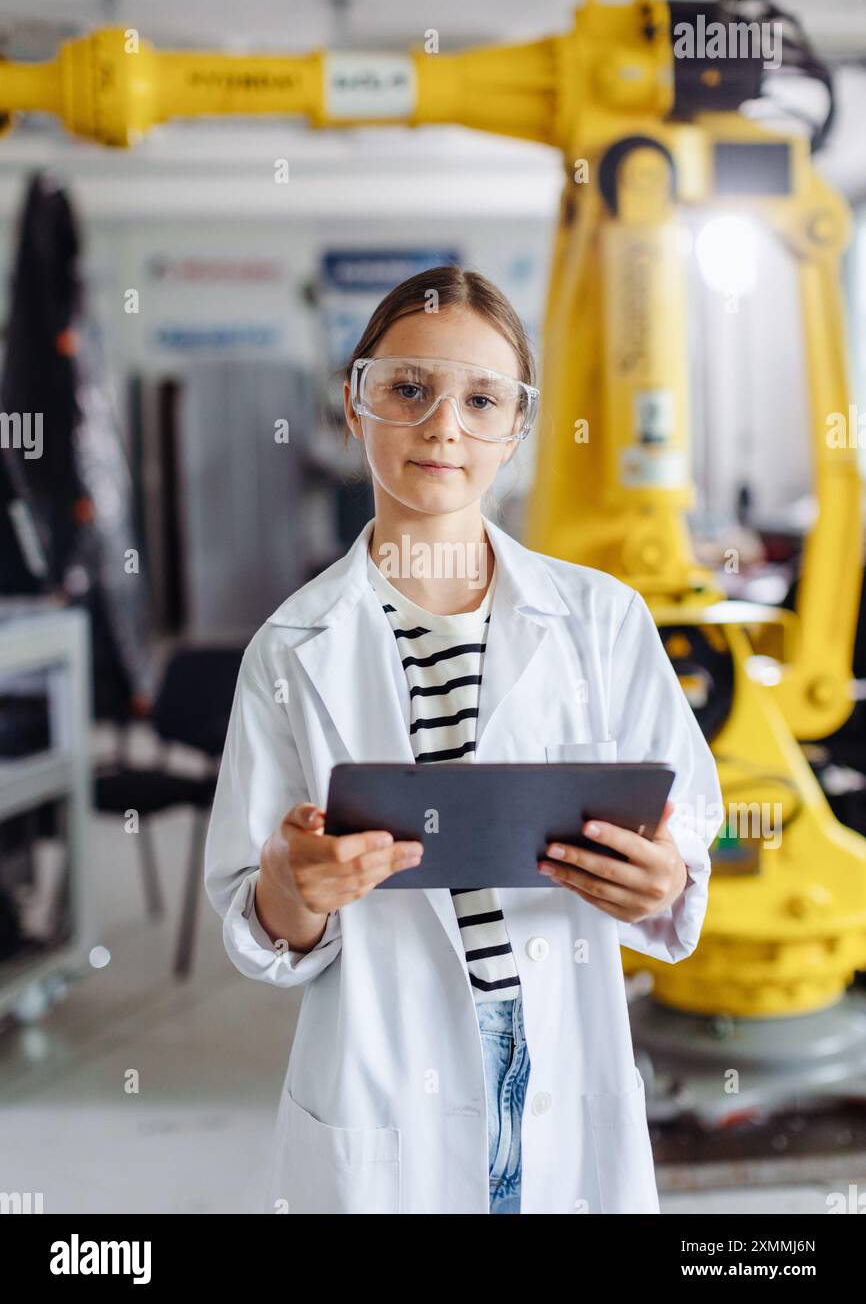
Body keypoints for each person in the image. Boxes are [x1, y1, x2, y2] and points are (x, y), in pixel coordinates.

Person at [204, 265, 723, 1215]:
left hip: (562, 1048)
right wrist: (293, 884)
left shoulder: (602, 620)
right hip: (386, 1067)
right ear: (354, 405)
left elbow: (686, 820)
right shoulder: (292, 647)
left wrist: (668, 876)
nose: (444, 426)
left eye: (482, 399)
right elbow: (258, 921)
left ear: (516, 428)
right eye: (408, 389)